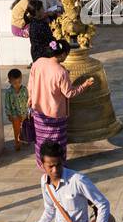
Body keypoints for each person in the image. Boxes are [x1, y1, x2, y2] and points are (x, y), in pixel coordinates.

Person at [26, 39, 94, 169]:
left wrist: (31, 97)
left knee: (41, 140)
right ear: (62, 54)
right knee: (57, 141)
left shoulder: (38, 63)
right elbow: (69, 93)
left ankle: (43, 164)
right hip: (55, 114)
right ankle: (57, 165)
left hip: (38, 111)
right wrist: (85, 85)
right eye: (67, 54)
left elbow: (31, 84)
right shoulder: (60, 72)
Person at [4, 68, 29, 150]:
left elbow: (28, 100)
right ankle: (17, 143)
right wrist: (9, 114)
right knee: (16, 129)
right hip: (14, 114)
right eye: (14, 83)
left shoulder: (24, 89)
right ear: (10, 82)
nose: (17, 84)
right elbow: (7, 104)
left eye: (19, 82)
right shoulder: (8, 92)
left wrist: (29, 111)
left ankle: (25, 140)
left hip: (24, 113)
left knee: (25, 128)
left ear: (21, 79)